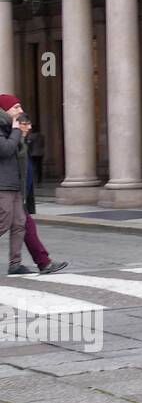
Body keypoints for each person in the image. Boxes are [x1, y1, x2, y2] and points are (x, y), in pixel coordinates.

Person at [13, 114, 65, 275]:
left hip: (18, 195)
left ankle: (40, 263)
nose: (29, 127)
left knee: (26, 227)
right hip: (9, 194)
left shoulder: (21, 142)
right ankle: (41, 263)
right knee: (23, 227)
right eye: (25, 124)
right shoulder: (11, 142)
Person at [0, 94, 32, 276]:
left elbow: (18, 152)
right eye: (16, 107)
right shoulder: (4, 127)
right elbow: (5, 150)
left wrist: (22, 134)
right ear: (5, 110)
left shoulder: (10, 128)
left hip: (14, 184)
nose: (21, 111)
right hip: (2, 184)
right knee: (3, 223)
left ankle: (15, 264)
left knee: (20, 223)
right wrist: (16, 131)